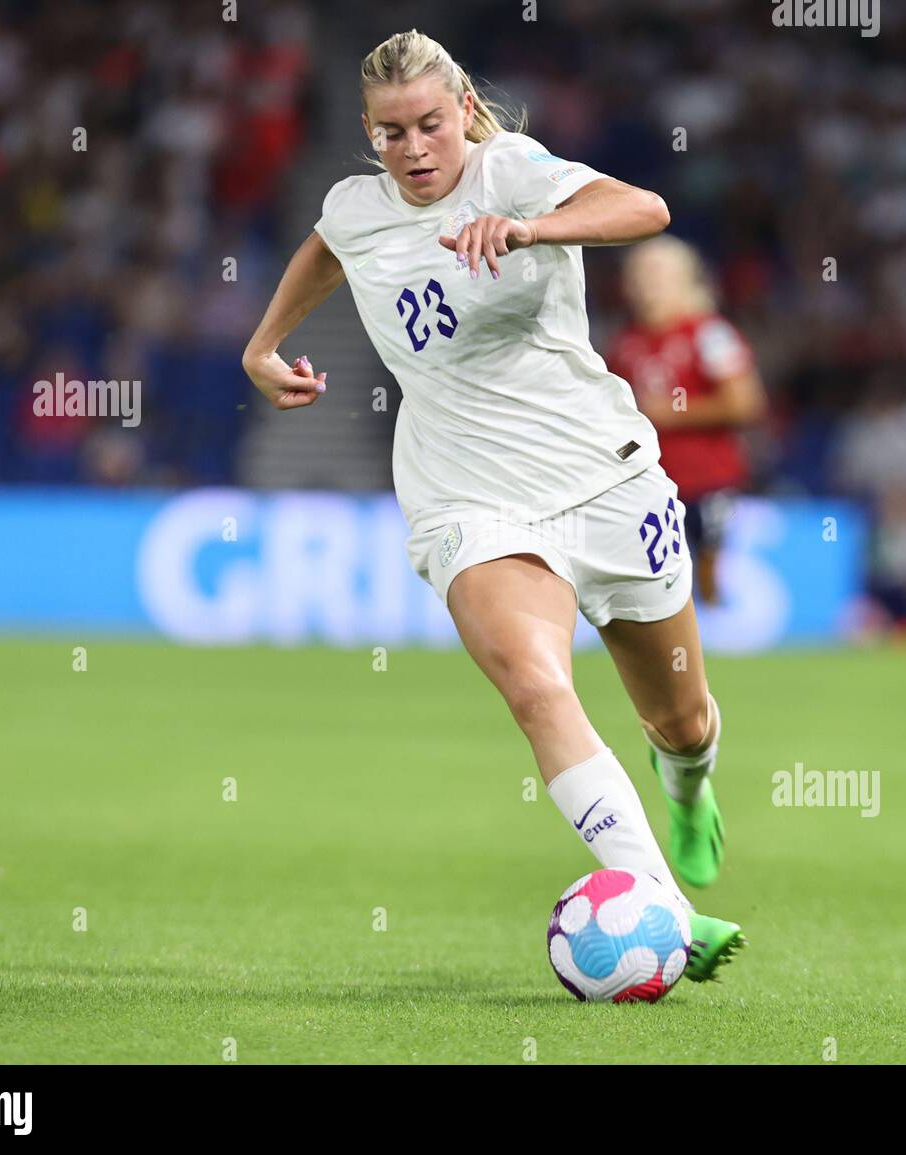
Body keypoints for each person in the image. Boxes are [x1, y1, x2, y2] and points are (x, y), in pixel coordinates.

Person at [242, 29, 743, 982]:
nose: (415, 149)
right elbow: (326, 250)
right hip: (466, 495)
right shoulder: (356, 206)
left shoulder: (513, 170)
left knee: (680, 718)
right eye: (391, 134)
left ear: (464, 112)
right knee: (533, 680)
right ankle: (665, 906)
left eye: (430, 124)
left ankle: (687, 785)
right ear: (369, 134)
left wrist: (533, 227)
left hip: (602, 477)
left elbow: (646, 205)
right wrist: (264, 343)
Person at [609, 237, 767, 605]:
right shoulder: (626, 342)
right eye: (637, 274)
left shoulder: (709, 334)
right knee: (657, 583)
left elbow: (746, 403)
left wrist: (673, 413)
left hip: (709, 481)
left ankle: (718, 647)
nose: (645, 283)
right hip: (647, 482)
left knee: (708, 577)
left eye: (656, 273)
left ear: (685, 279)